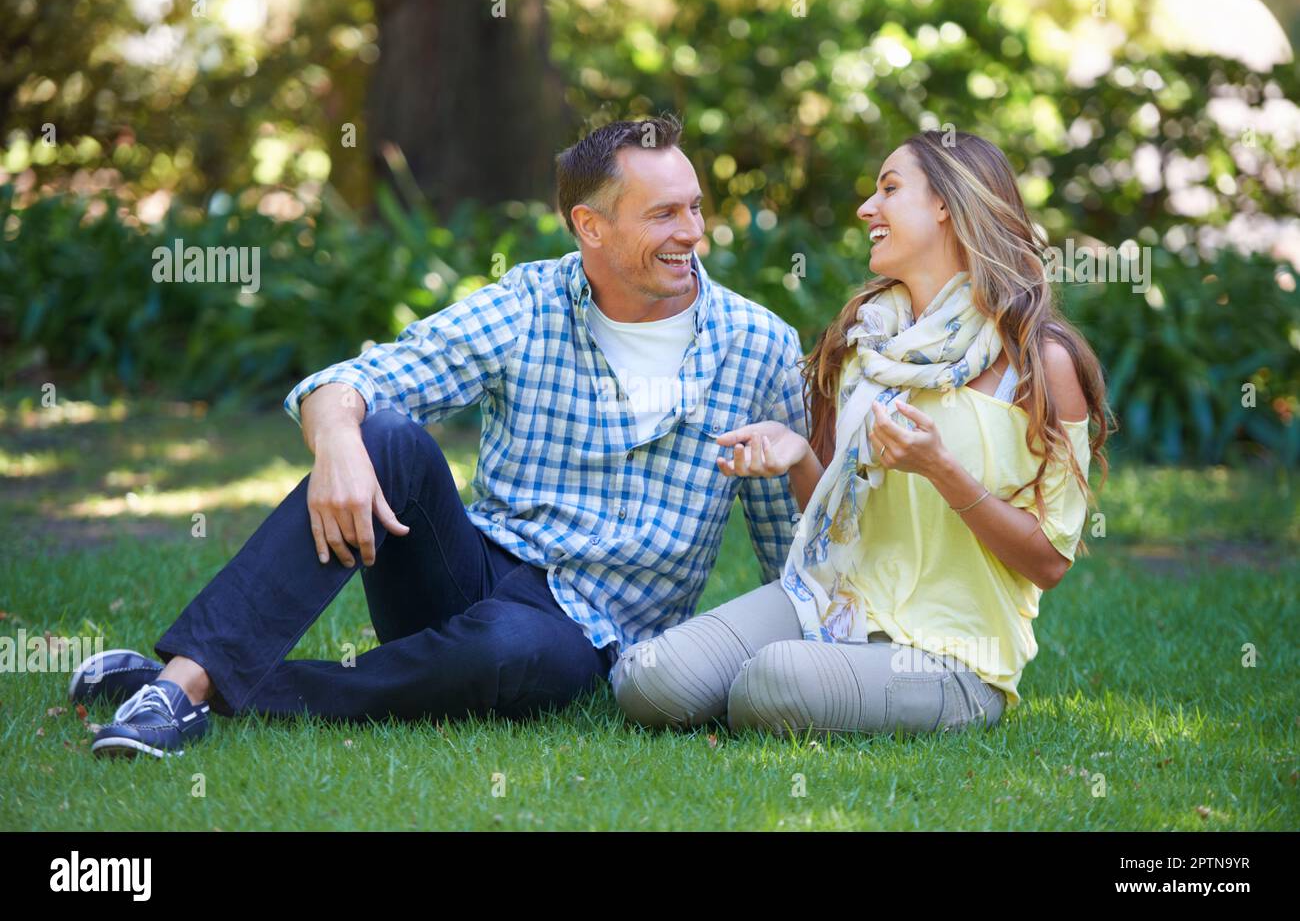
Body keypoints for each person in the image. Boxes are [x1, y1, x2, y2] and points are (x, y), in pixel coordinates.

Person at [75, 115, 808, 758]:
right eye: (664, 215)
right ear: (590, 225)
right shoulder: (529, 303)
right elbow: (362, 379)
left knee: (514, 645)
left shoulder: (759, 346)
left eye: (694, 209)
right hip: (469, 574)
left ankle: (197, 682)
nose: (692, 233)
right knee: (386, 436)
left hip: (587, 638)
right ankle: (181, 688)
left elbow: (793, 557)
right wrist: (337, 443)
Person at [612, 129, 1113, 737]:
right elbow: (842, 518)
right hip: (831, 605)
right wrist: (799, 459)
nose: (866, 208)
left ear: (947, 205)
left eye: (890, 189)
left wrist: (942, 471)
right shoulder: (868, 342)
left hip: (952, 654)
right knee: (650, 678)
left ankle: (819, 684)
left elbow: (1049, 560)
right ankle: (805, 678)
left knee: (775, 681)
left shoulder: (1040, 363)